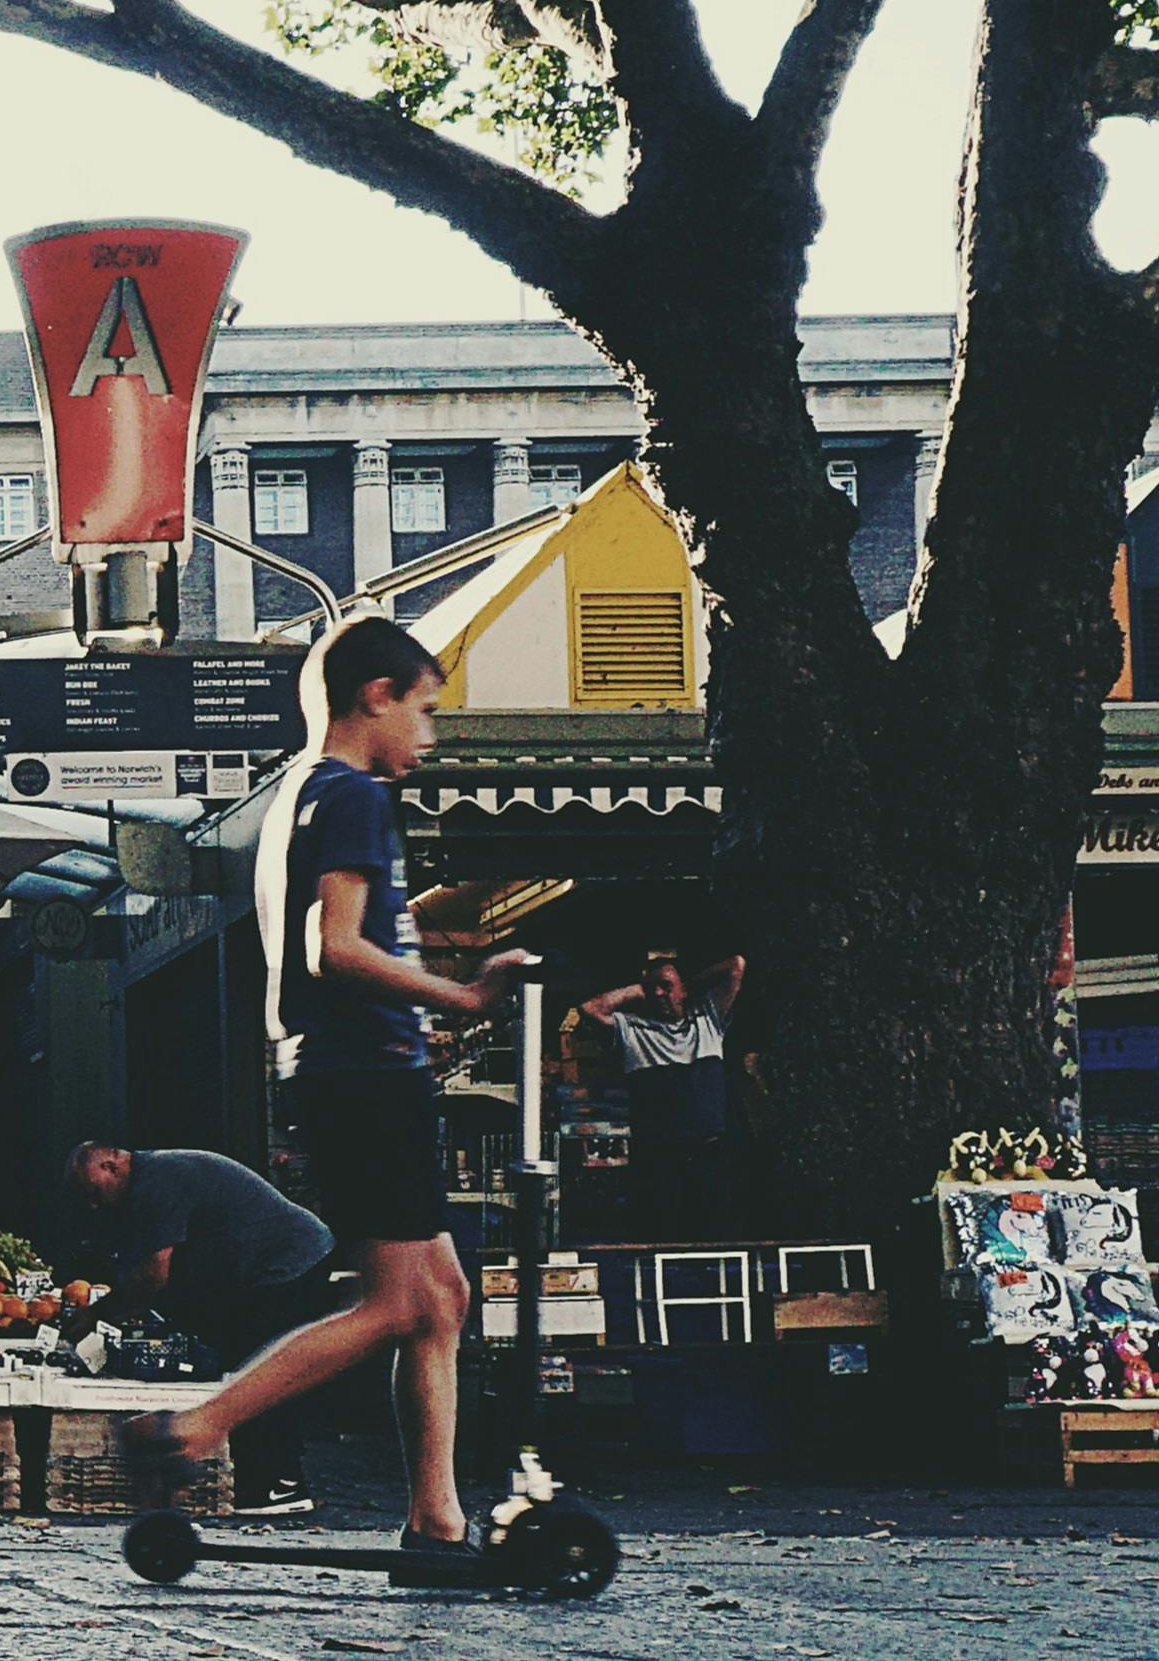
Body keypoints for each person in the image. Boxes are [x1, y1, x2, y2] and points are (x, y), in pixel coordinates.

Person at [122, 617, 533, 1553]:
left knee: (442, 1298)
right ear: (374, 696)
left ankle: (436, 1515)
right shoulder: (350, 795)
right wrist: (461, 994)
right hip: (367, 1073)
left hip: (347, 1070)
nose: (428, 738)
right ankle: (199, 1427)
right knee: (397, 1304)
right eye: (425, 711)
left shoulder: (297, 794)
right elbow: (333, 947)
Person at [60, 1140, 338, 1519]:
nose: (93, 1205)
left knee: (266, 1366)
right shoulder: (153, 1180)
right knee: (254, 1363)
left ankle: (280, 1483)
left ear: (112, 1166)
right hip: (270, 1266)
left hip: (291, 1262)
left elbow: (155, 1273)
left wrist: (99, 1314)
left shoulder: (158, 1181)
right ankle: (271, 1478)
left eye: (94, 1192)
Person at [574, 951, 745, 1240]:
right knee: (663, 1235)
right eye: (652, 988)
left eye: (666, 986)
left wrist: (688, 984)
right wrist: (638, 988)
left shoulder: (707, 1022)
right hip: (659, 1155)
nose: (658, 994)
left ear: (682, 990)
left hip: (708, 1150)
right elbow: (590, 1008)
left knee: (715, 1233)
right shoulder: (633, 1031)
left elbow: (736, 966)